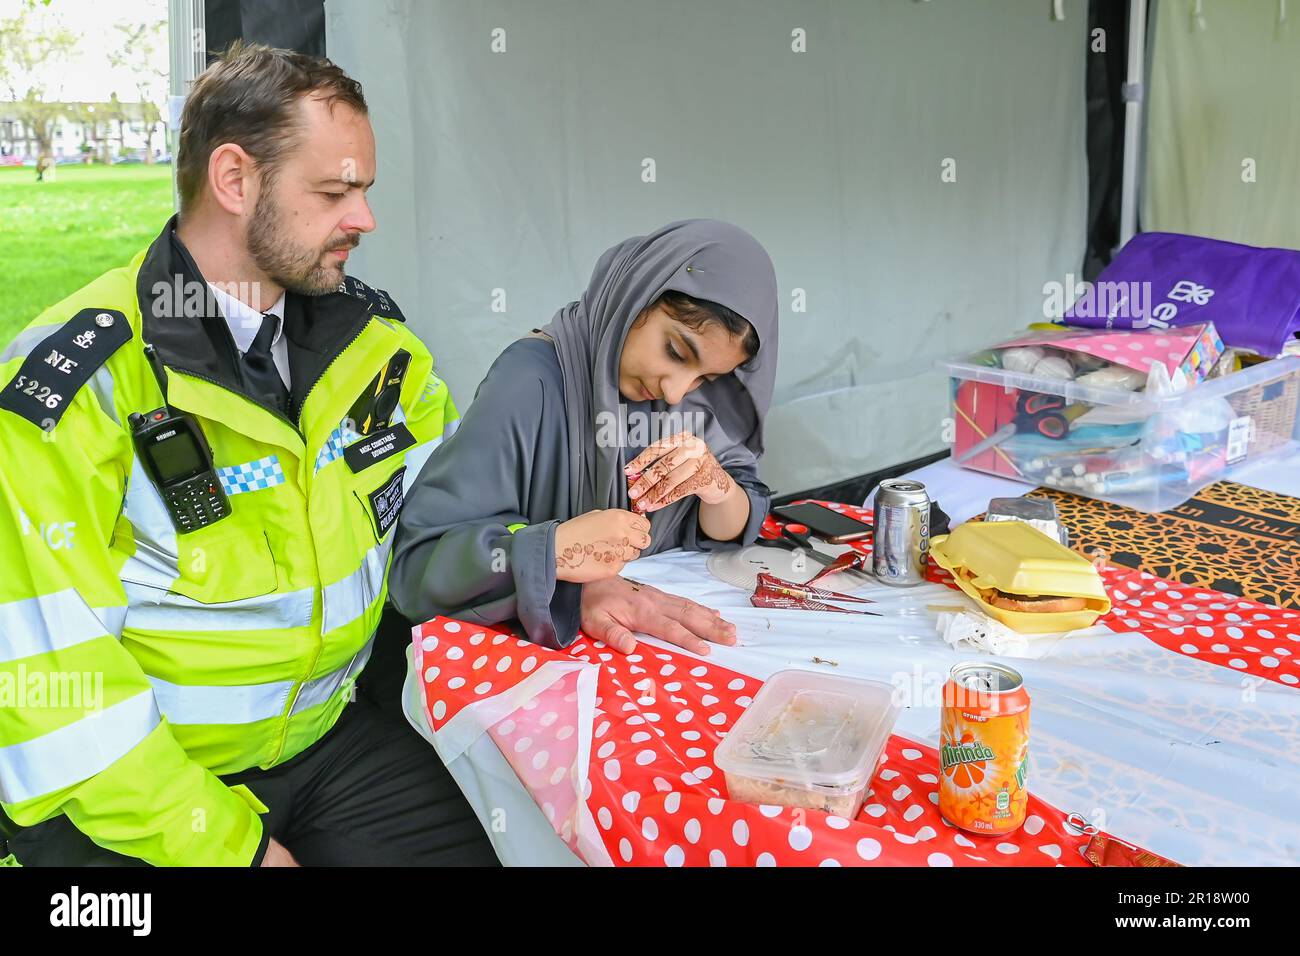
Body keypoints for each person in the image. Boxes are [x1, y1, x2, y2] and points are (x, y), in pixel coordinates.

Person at [0, 43, 496, 867]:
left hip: (323, 740)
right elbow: (52, 688)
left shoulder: (378, 351)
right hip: (126, 789)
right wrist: (234, 849)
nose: (364, 220)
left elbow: (446, 518)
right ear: (234, 180)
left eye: (364, 191)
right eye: (335, 192)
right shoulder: (74, 388)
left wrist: (549, 565)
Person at [389, 219, 779, 654]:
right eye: (676, 351)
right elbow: (421, 566)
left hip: (652, 646)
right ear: (635, 298)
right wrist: (558, 557)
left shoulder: (695, 404)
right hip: (548, 668)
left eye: (705, 376)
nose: (675, 391)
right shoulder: (529, 381)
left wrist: (716, 487)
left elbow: (730, 524)